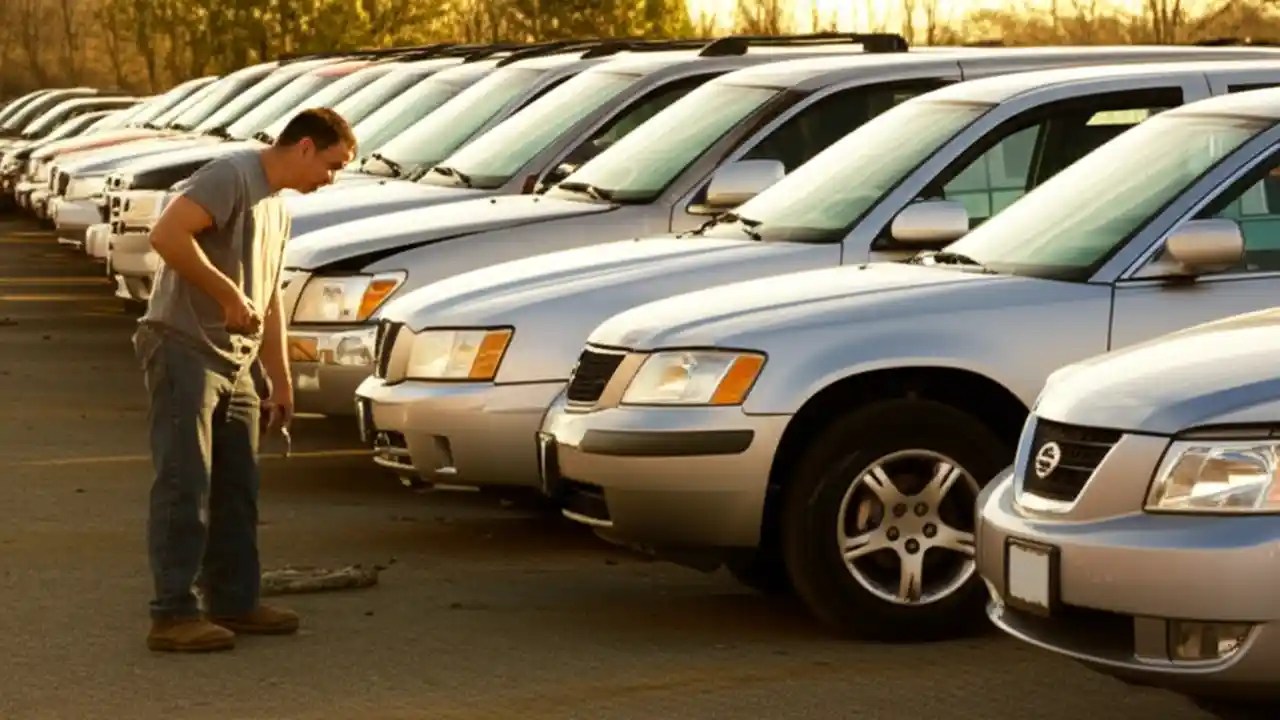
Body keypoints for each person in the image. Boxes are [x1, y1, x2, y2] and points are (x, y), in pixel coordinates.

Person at [133, 108, 356, 652]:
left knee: (237, 488)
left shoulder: (277, 208)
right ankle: (173, 613)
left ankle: (233, 600)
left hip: (237, 363)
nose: (332, 179)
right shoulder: (230, 176)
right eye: (332, 165)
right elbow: (167, 235)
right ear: (304, 146)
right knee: (187, 484)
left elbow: (270, 297)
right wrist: (226, 295)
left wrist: (279, 379)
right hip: (184, 345)